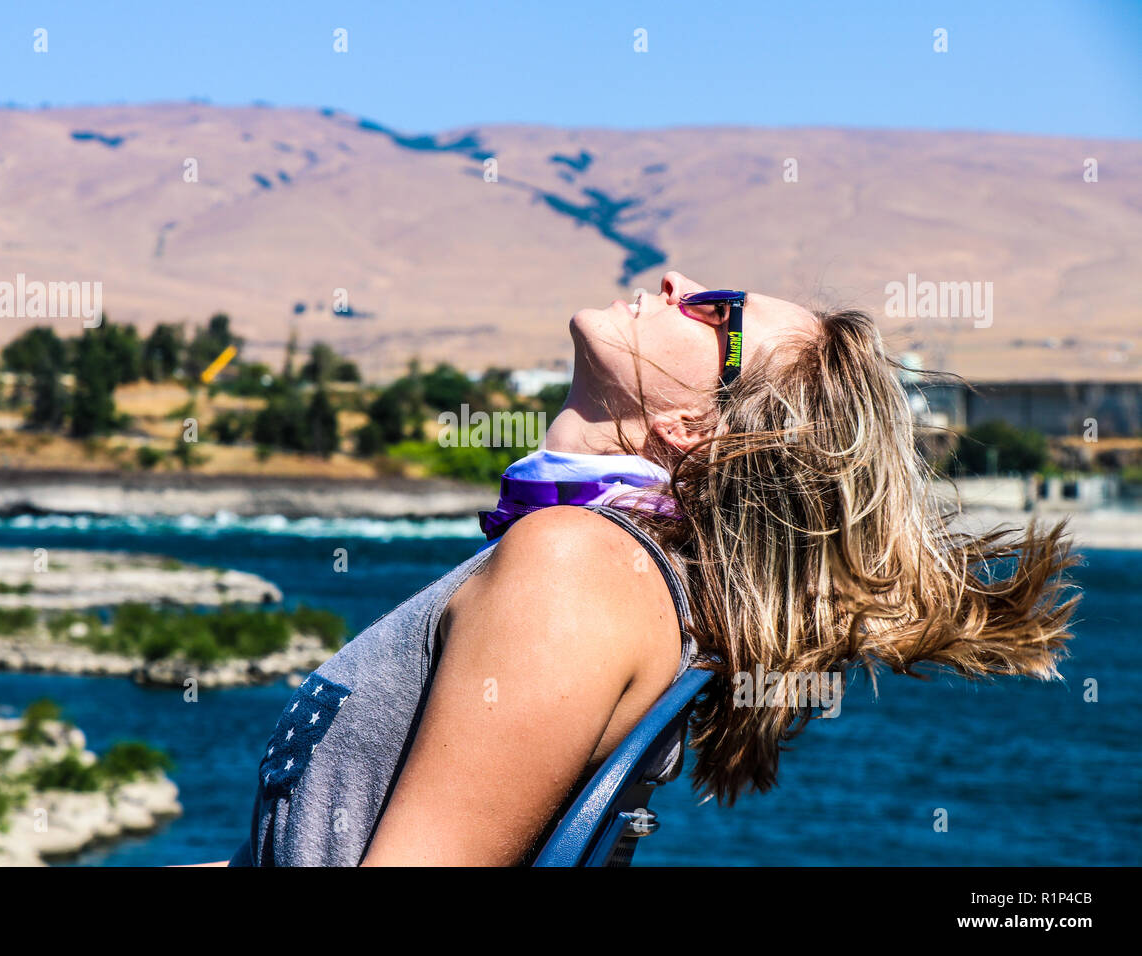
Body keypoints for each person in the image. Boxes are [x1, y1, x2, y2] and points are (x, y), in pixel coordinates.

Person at [221, 271, 1077, 867]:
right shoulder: (589, 559)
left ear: (696, 426)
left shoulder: (576, 570)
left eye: (719, 315)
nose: (677, 286)